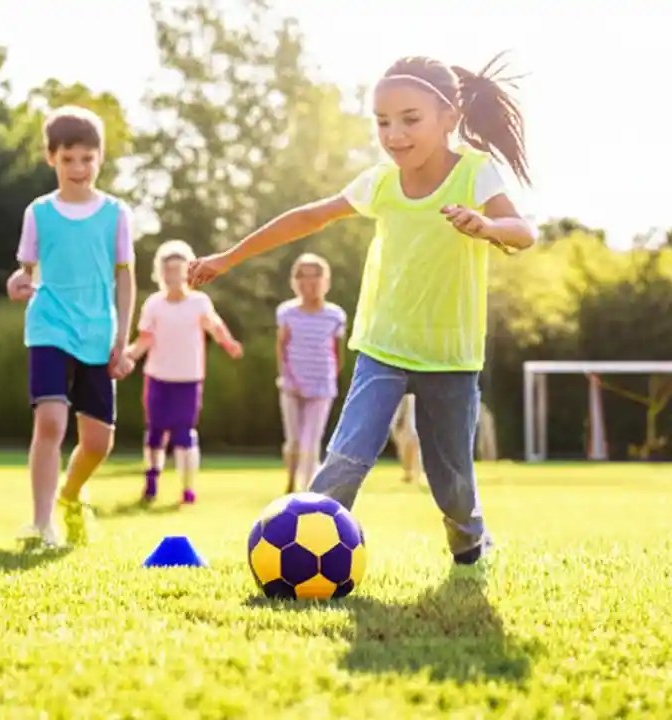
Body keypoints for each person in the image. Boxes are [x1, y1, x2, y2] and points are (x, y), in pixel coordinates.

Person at [188, 54, 536, 565]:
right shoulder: (380, 182)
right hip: (383, 347)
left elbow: (523, 231)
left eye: (409, 119)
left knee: (454, 485)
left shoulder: (475, 175)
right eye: (382, 121)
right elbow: (309, 216)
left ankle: (470, 541)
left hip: (450, 357)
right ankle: (302, 559)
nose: (394, 134)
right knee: (345, 459)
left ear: (449, 117)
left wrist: (486, 228)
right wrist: (228, 257)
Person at [6, 105, 137, 549]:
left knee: (98, 441)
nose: (78, 169)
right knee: (50, 421)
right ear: (51, 158)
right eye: (68, 159)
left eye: (87, 158)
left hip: (99, 334)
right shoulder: (39, 212)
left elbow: (125, 277)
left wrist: (122, 339)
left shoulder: (116, 213)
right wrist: (17, 283)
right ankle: (42, 523)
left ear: (100, 158)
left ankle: (70, 494)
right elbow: (25, 270)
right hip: (49, 326)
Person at [125, 240, 243, 505]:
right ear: (160, 274)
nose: (173, 277)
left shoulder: (199, 302)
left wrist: (229, 344)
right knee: (155, 433)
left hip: (188, 379)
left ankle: (188, 489)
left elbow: (215, 326)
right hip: (157, 377)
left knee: (184, 434)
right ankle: (151, 482)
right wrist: (127, 356)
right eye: (168, 271)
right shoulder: (154, 304)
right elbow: (144, 339)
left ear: (187, 272)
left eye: (178, 270)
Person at [276, 253, 346, 493]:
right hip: (291, 386)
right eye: (303, 277)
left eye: (315, 276)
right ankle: (290, 482)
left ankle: (307, 492)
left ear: (325, 281)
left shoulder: (335, 315)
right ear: (295, 282)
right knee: (294, 442)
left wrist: (329, 378)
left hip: (321, 387)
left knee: (310, 443)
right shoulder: (286, 312)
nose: (309, 283)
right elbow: (281, 347)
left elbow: (337, 353)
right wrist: (286, 377)